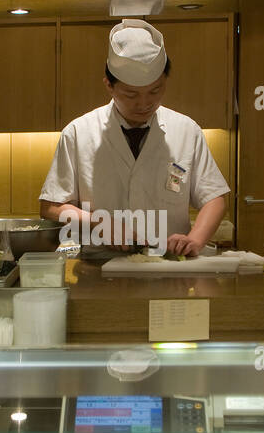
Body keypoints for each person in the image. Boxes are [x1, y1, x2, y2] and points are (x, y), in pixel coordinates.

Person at [39, 19, 229, 257]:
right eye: (131, 94)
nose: (145, 103)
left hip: (168, 264)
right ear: (109, 85)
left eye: (155, 91)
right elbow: (50, 207)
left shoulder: (186, 130)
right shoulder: (78, 133)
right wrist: (97, 222)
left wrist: (194, 240)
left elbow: (215, 197)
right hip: (99, 267)